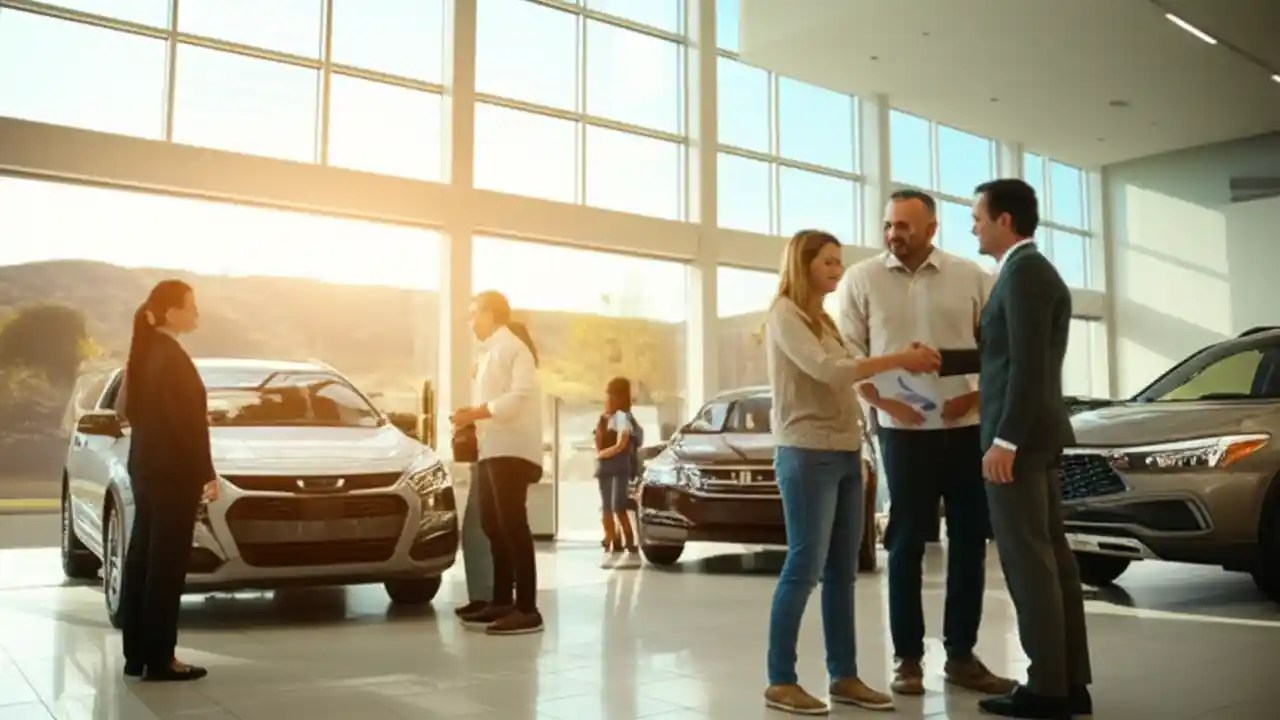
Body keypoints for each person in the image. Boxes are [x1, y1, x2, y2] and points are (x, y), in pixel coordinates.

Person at [837, 189, 1013, 697]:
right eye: (890, 225)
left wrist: (976, 399)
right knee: (906, 544)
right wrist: (885, 406)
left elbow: (997, 350)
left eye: (906, 226)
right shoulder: (861, 280)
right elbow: (851, 355)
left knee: (968, 543)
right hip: (902, 435)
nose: (895, 234)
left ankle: (961, 656)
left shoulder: (973, 278)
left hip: (965, 431)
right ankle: (907, 659)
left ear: (932, 229)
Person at [763, 229, 941, 715]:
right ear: (802, 265)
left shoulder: (822, 318)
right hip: (806, 455)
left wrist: (865, 443)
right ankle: (781, 680)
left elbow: (853, 372)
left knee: (842, 573)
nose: (838, 272)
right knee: (803, 566)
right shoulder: (785, 314)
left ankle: (843, 676)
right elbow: (832, 371)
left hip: (843, 453)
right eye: (828, 263)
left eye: (840, 262)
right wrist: (901, 357)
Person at [939, 179, 1093, 719]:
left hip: (1020, 442)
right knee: (1051, 559)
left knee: (1029, 563)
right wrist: (939, 359)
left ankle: (1047, 688)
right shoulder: (1028, 272)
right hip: (1037, 437)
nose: (973, 225)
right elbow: (1005, 354)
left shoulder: (1025, 275)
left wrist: (1005, 439)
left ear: (1005, 220)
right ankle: (1069, 682)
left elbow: (1028, 367)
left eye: (978, 217)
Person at [116, 280, 216, 682]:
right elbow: (187, 424)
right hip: (174, 472)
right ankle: (161, 659)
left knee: (142, 558)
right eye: (192, 307)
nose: (197, 315)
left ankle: (137, 653)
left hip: (146, 466)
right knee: (166, 566)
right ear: (172, 312)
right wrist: (206, 472)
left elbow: (135, 414)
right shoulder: (170, 357)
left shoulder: (145, 354)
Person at [451, 291, 545, 635]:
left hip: (512, 450)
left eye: (475, 312)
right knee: (493, 524)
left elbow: (519, 398)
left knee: (513, 525)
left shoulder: (514, 350)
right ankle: (502, 601)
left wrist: (475, 412)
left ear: (492, 313)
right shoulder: (491, 352)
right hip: (493, 448)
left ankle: (527, 609)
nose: (471, 320)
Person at [595, 376, 641, 568]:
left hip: (617, 466)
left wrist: (604, 453)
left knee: (618, 506)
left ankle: (629, 541)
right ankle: (611, 539)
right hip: (605, 467)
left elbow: (622, 443)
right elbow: (598, 441)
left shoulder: (622, 417)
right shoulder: (605, 418)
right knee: (606, 506)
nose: (607, 399)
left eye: (611, 395)